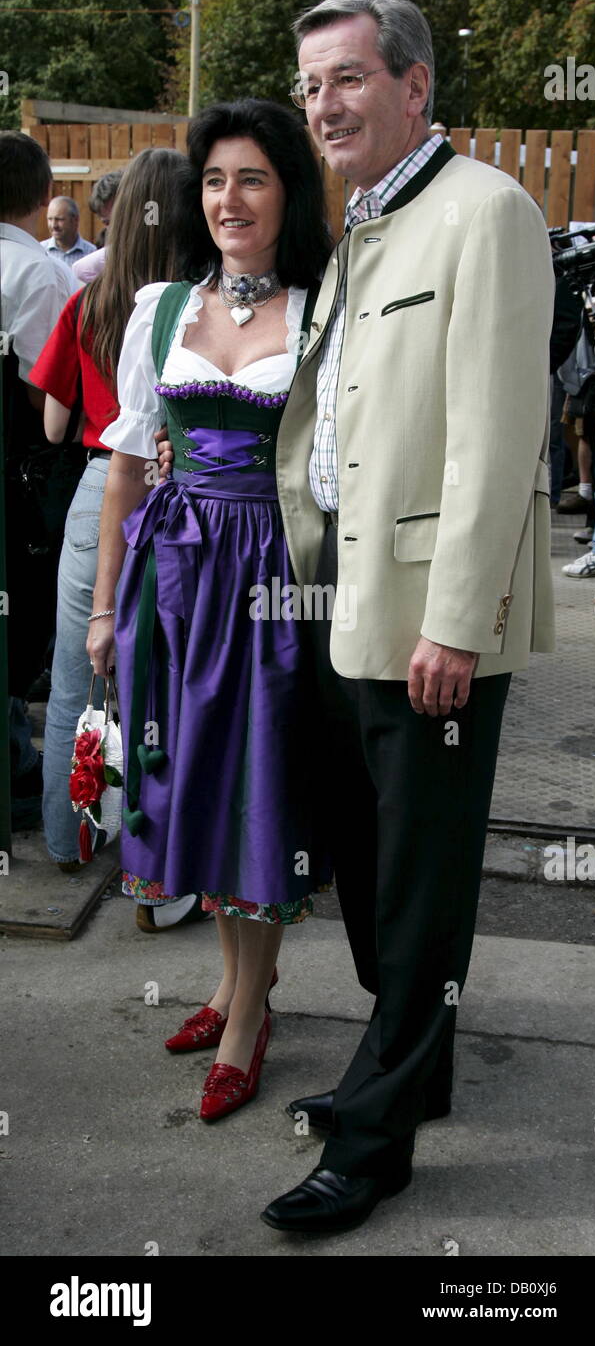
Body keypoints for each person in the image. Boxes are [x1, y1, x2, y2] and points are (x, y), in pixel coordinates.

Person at [254, 0, 555, 1234]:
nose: (322, 104)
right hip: (335, 608)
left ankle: (375, 1146)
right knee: (367, 868)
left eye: (348, 80)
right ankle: (407, 1064)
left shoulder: (486, 211)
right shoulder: (365, 223)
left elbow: (496, 439)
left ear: (415, 88)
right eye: (311, 85)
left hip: (427, 624)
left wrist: (457, 621)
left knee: (422, 886)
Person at [87, 100, 333, 1118]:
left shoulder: (323, 313)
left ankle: (247, 1016)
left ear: (288, 194)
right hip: (176, 577)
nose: (230, 199)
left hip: (273, 579)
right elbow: (126, 468)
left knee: (255, 780)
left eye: (254, 179)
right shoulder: (159, 307)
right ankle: (239, 981)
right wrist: (103, 609)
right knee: (192, 772)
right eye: (216, 181)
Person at [29, 149, 208, 912]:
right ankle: (158, 881)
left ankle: (67, 840)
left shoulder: (89, 302)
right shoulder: (201, 306)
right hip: (189, 493)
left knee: (78, 675)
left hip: (102, 487)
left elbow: (53, 422)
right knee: (168, 688)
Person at [0, 131, 76, 829]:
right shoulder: (39, 274)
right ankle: (19, 776)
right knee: (19, 630)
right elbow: (42, 395)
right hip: (17, 483)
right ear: (42, 192)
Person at [43, 196, 95, 268]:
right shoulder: (41, 251)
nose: (53, 225)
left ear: (75, 220)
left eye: (59, 219)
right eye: (50, 219)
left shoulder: (90, 253)